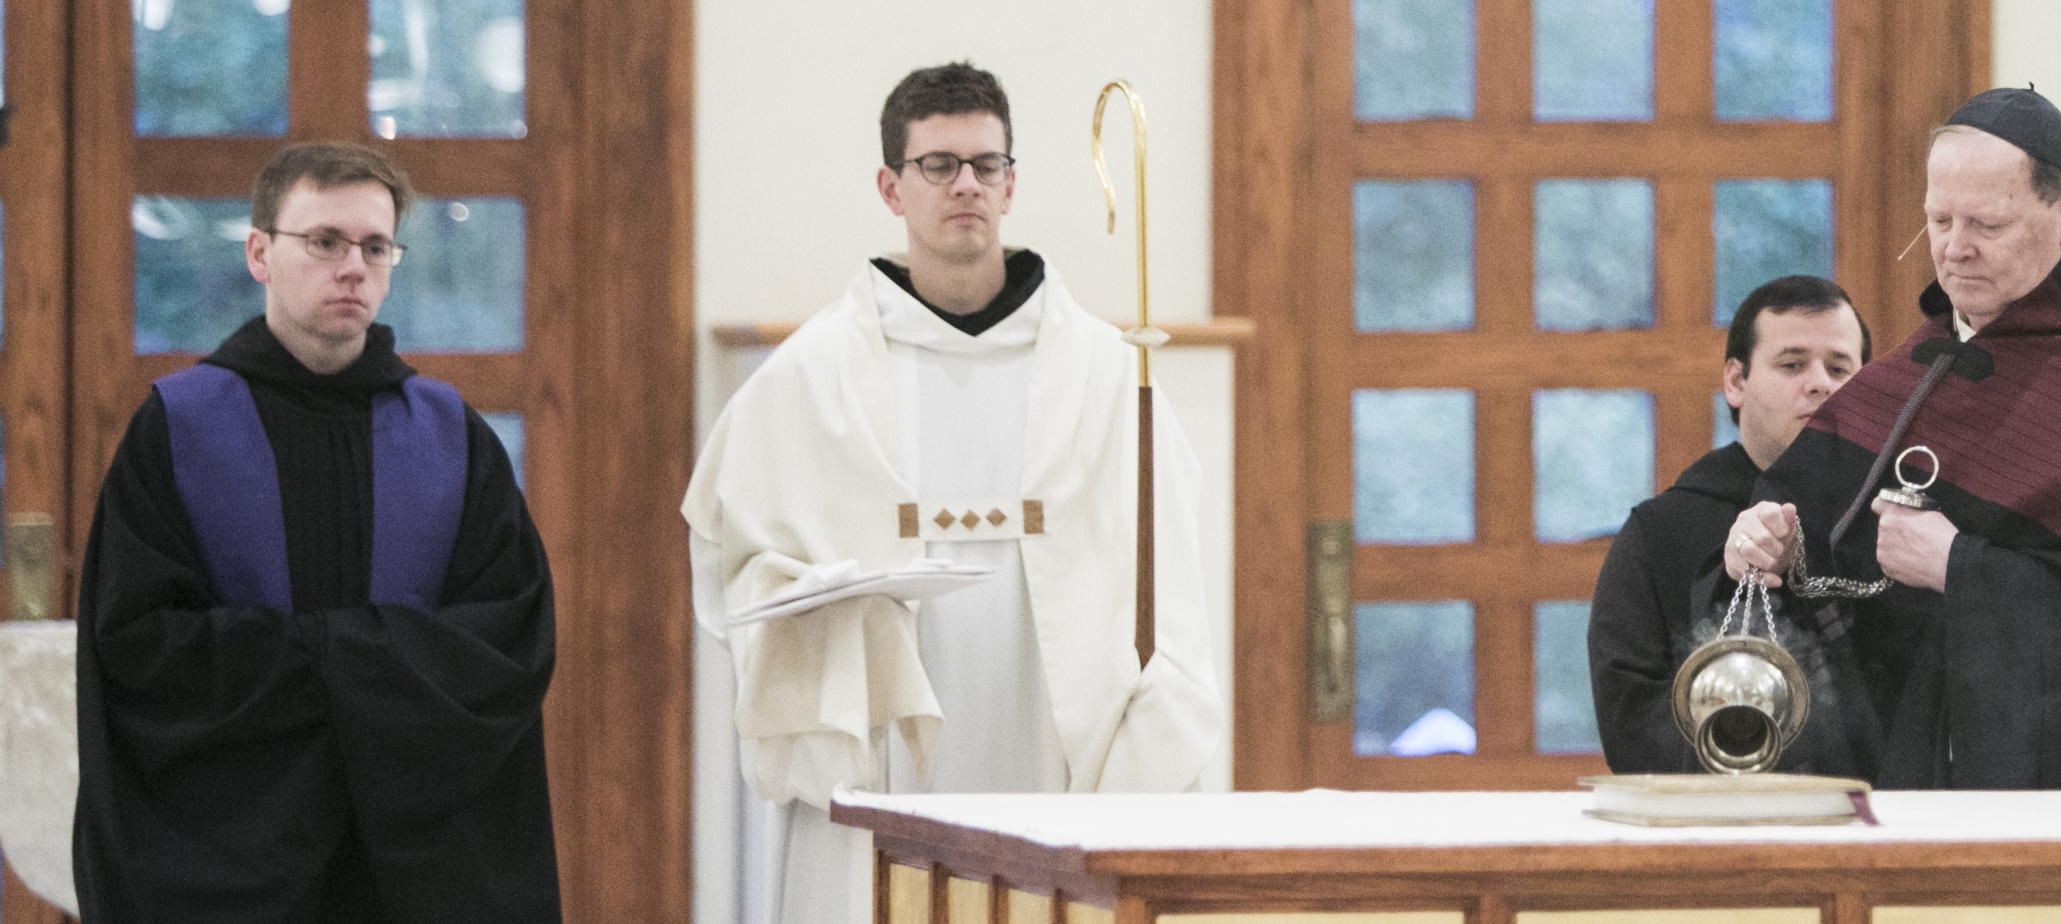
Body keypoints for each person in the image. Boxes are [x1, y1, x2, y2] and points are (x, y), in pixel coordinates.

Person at [684, 62, 1224, 924]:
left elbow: (1177, 601)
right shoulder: (809, 380)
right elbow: (729, 563)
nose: (965, 184)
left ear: (1014, 185)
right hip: (881, 751)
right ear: (891, 188)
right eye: (938, 164)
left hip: (1055, 752)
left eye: (986, 164)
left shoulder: (1110, 377)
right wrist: (812, 605)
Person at [72, 141, 560, 922]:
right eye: (325, 241)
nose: (353, 267)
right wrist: (365, 665)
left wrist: (318, 659)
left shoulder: (450, 436)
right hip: (231, 859)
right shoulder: (179, 428)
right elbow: (138, 646)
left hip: (416, 869)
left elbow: (507, 642)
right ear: (260, 252)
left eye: (375, 246)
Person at [1722, 88, 2061, 792]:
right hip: (1906, 779)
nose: (1954, 249)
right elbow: (1804, 534)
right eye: (1939, 219)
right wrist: (1762, 538)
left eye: (1987, 225)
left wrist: (1958, 566)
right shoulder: (1917, 370)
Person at [1588, 275, 1872, 775]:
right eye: (1792, 364)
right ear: (1736, 382)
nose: (1821, 383)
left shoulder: (1891, 523)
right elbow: (1630, 722)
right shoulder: (1658, 535)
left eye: (1840, 367)